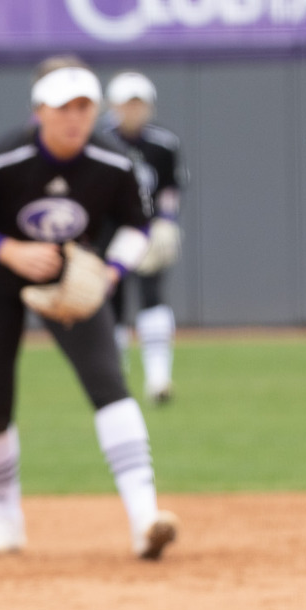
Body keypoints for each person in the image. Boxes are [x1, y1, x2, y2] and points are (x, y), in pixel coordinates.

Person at [0, 56, 179, 561]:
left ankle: (146, 519)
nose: (74, 117)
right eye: (62, 107)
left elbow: (138, 225)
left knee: (109, 385)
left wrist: (111, 273)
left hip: (71, 278)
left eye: (83, 106)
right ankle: (5, 521)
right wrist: (10, 251)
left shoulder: (114, 162)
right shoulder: (3, 156)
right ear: (39, 112)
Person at [103, 71, 183, 405]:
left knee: (152, 296)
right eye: (127, 104)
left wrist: (166, 223)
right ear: (113, 106)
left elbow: (169, 189)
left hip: (147, 230)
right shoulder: (100, 142)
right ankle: (114, 380)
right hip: (109, 232)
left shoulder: (163, 144)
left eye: (139, 104)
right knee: (111, 303)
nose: (133, 111)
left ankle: (158, 378)